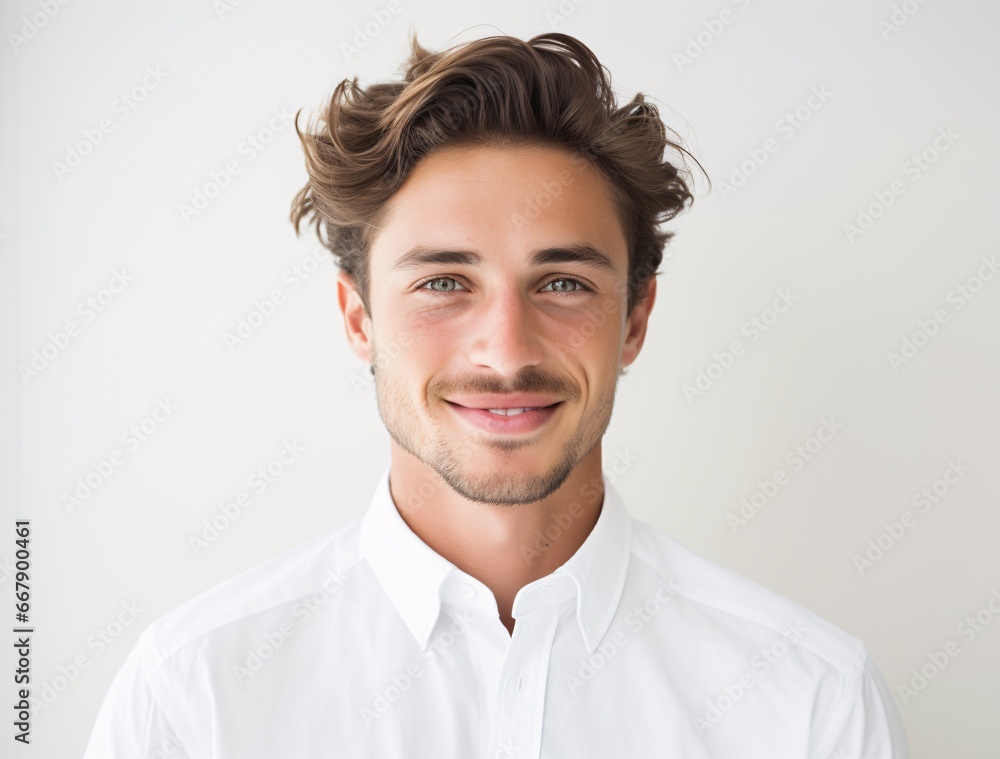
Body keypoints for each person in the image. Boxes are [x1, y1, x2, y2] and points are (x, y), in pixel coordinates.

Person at [84, 30, 910, 758]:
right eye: (445, 281)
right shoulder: (192, 696)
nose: (507, 350)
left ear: (634, 317)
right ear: (359, 316)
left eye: (562, 282)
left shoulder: (811, 701)